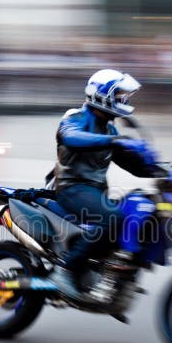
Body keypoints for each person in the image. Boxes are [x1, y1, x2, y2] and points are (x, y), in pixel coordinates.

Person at [49, 69, 160, 300]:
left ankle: (111, 271)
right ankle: (65, 270)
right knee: (112, 218)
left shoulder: (109, 129)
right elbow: (71, 137)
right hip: (71, 189)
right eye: (118, 95)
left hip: (96, 192)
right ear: (102, 95)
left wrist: (161, 168)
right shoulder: (74, 118)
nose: (123, 100)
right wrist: (116, 141)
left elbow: (134, 167)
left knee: (140, 210)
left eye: (123, 96)